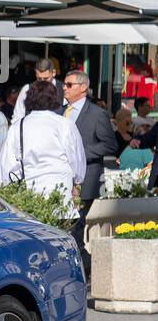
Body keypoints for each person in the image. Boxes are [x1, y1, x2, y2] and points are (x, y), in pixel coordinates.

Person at [0, 80, 86, 216]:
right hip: (61, 195)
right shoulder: (65, 124)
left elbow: (6, 167)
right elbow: (76, 160)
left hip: (29, 197)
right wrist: (77, 182)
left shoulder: (18, 126)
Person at [63, 70, 118, 269]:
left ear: (83, 87)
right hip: (60, 180)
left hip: (86, 181)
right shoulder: (59, 112)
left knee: (75, 231)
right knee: (65, 231)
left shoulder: (97, 114)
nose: (64, 88)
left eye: (69, 85)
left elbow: (110, 145)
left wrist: (80, 152)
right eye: (64, 84)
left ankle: (88, 268)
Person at [11, 58, 60, 123]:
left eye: (46, 78)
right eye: (39, 78)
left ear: (53, 73)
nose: (42, 82)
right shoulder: (27, 89)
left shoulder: (64, 89)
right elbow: (17, 117)